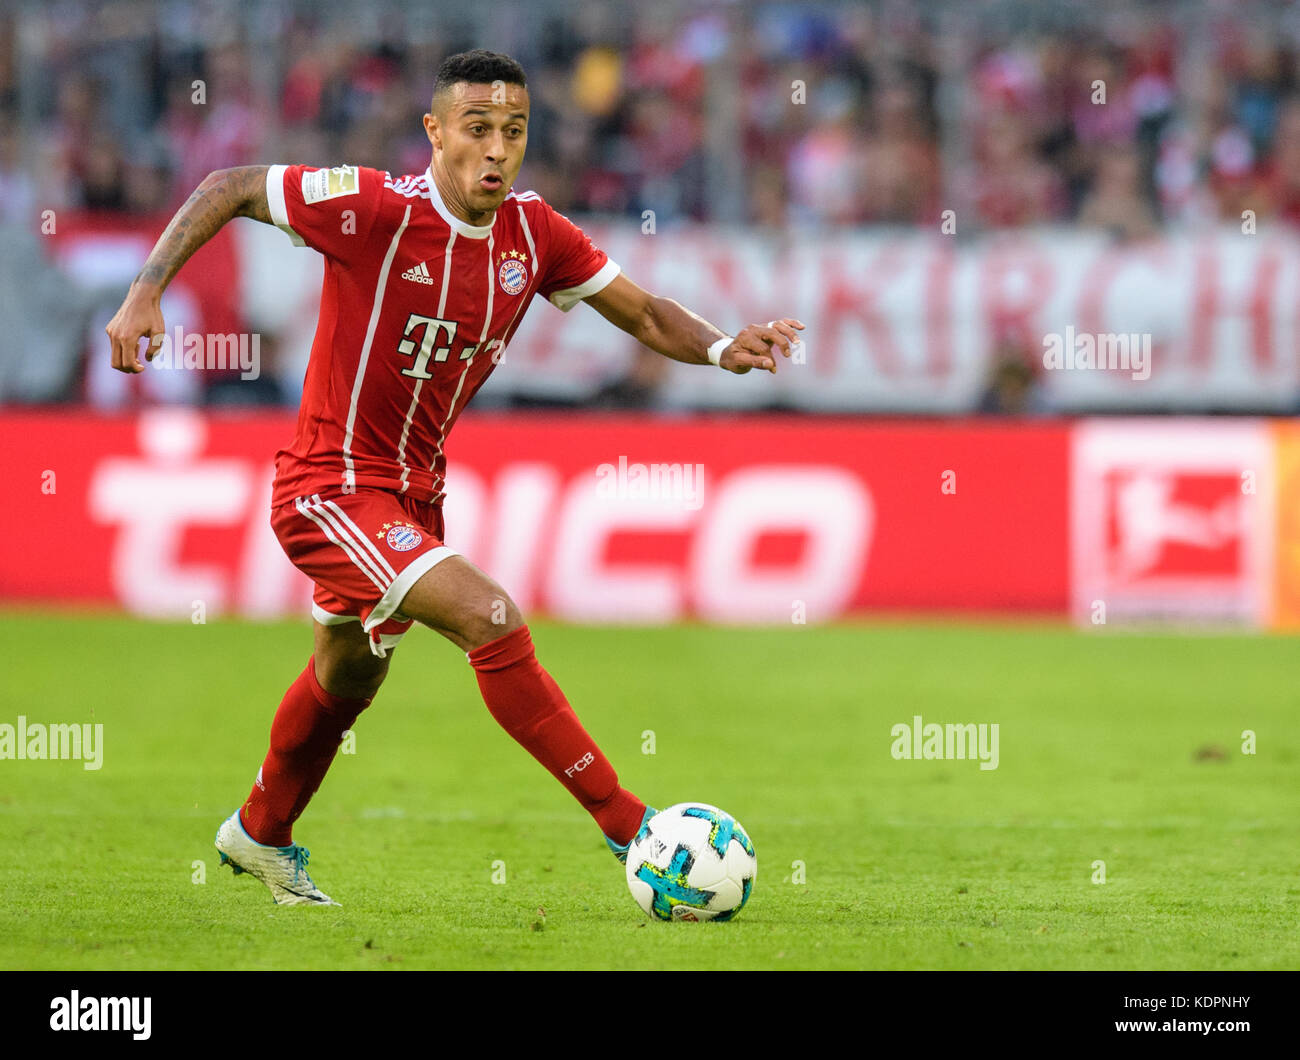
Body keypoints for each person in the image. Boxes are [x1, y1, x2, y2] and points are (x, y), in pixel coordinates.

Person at [104, 49, 804, 906]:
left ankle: (258, 833)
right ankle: (637, 831)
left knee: (349, 670)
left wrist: (724, 346)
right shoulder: (373, 208)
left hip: (414, 494)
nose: (497, 150)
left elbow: (648, 312)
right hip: (330, 485)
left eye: (513, 131)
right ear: (435, 134)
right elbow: (232, 183)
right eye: (477, 129)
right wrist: (146, 293)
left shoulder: (534, 234)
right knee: (492, 618)